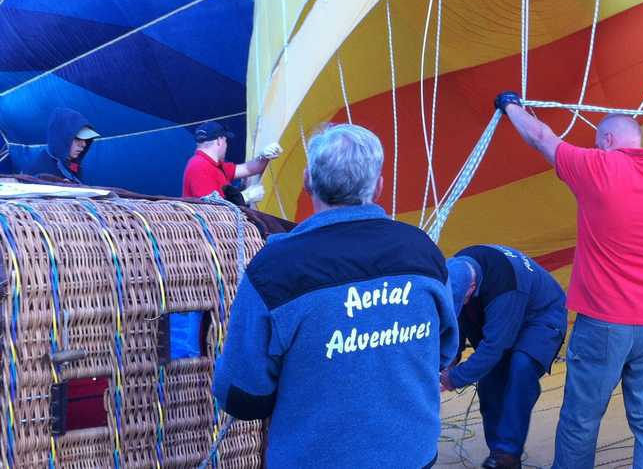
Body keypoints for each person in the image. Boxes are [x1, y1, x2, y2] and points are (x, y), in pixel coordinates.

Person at [212, 124, 458, 467]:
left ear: (307, 180)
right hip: (413, 454)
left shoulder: (275, 269)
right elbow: (444, 352)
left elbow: (242, 395)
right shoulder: (423, 251)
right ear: (379, 186)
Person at [493, 91, 643, 469]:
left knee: (581, 421)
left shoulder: (596, 167)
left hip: (605, 322)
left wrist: (510, 106)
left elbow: (541, 137)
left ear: (607, 140)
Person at [444, 245, 568, 469]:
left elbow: (494, 348)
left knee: (520, 368)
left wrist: (452, 378)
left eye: (463, 299)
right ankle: (498, 455)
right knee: (490, 384)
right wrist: (445, 362)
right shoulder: (456, 270)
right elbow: (454, 322)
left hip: (541, 317)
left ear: (472, 286)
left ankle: (507, 454)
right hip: (501, 315)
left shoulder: (505, 287)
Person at [181, 121, 281, 204]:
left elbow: (247, 169)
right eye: (226, 141)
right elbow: (210, 209)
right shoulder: (198, 166)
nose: (226, 146)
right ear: (219, 141)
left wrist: (264, 156)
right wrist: (245, 197)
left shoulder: (215, 165)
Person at [21, 107, 100, 183]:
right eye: (78, 138)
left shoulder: (72, 165)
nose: (84, 144)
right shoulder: (40, 172)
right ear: (62, 138)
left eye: (86, 139)